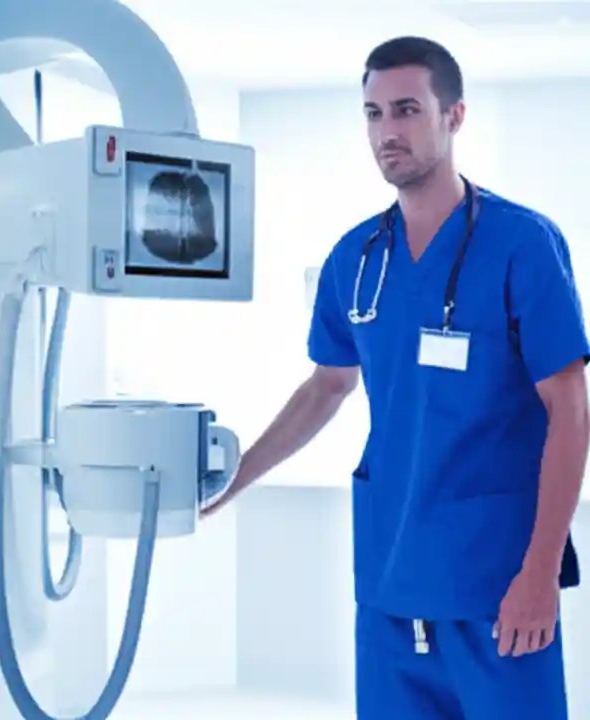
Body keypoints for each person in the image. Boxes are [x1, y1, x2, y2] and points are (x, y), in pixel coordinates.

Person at [202, 37, 588, 719]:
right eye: (374, 114)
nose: (388, 132)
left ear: (454, 115)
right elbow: (326, 386)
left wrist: (538, 573)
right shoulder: (356, 257)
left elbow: (570, 410)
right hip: (390, 583)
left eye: (407, 110)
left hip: (495, 585)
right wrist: (232, 481)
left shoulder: (522, 244)